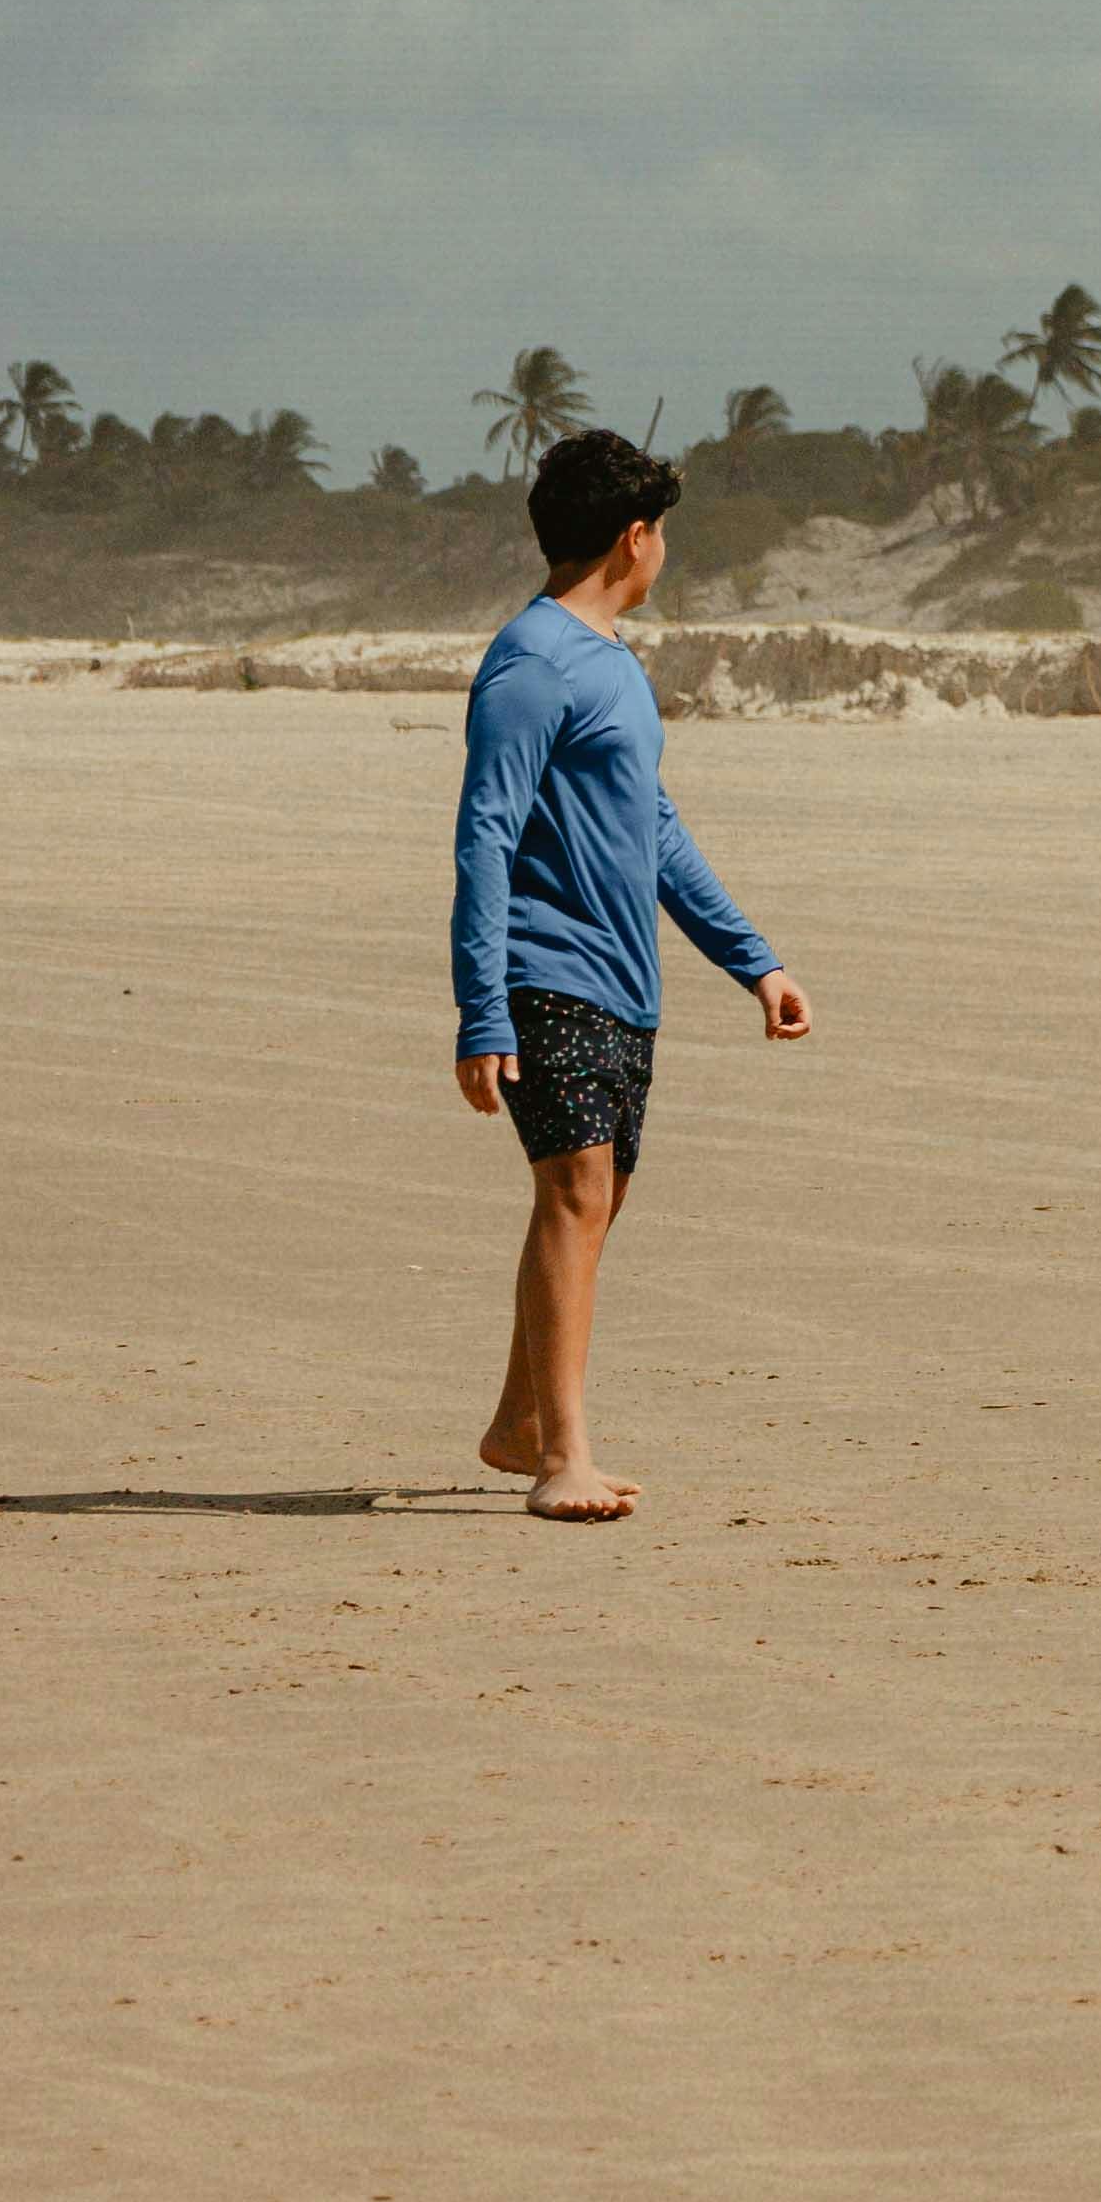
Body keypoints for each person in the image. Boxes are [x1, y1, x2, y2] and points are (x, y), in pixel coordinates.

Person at [451, 429, 812, 1518]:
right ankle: (564, 1454)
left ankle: (520, 1424)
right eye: (665, 539)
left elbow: (654, 831)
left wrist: (756, 961)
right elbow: (484, 835)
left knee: (592, 1203)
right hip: (545, 971)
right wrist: (480, 1011)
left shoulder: (613, 668)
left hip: (624, 979)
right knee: (572, 1193)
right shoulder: (531, 665)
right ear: (634, 538)